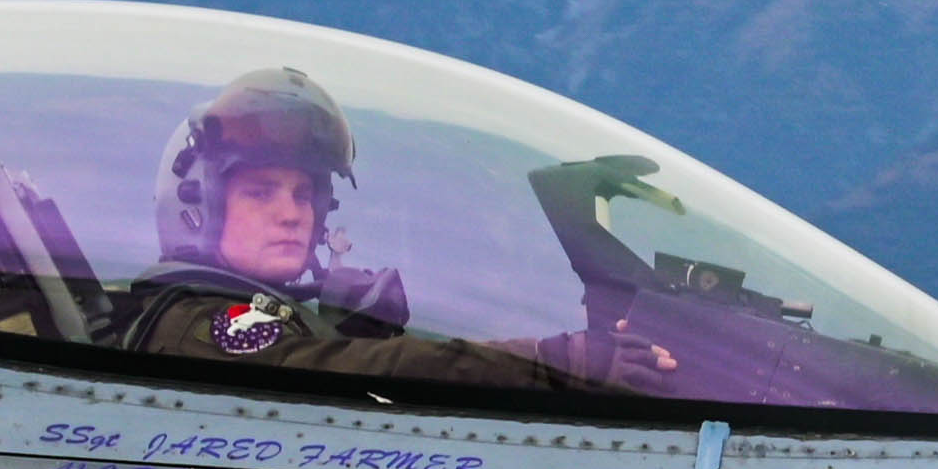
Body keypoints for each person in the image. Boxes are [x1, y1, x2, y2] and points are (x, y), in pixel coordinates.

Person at [101, 69, 678, 395]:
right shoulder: (202, 323)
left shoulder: (268, 314)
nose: (292, 213)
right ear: (197, 207)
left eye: (304, 193)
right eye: (260, 193)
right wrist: (554, 362)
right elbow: (345, 371)